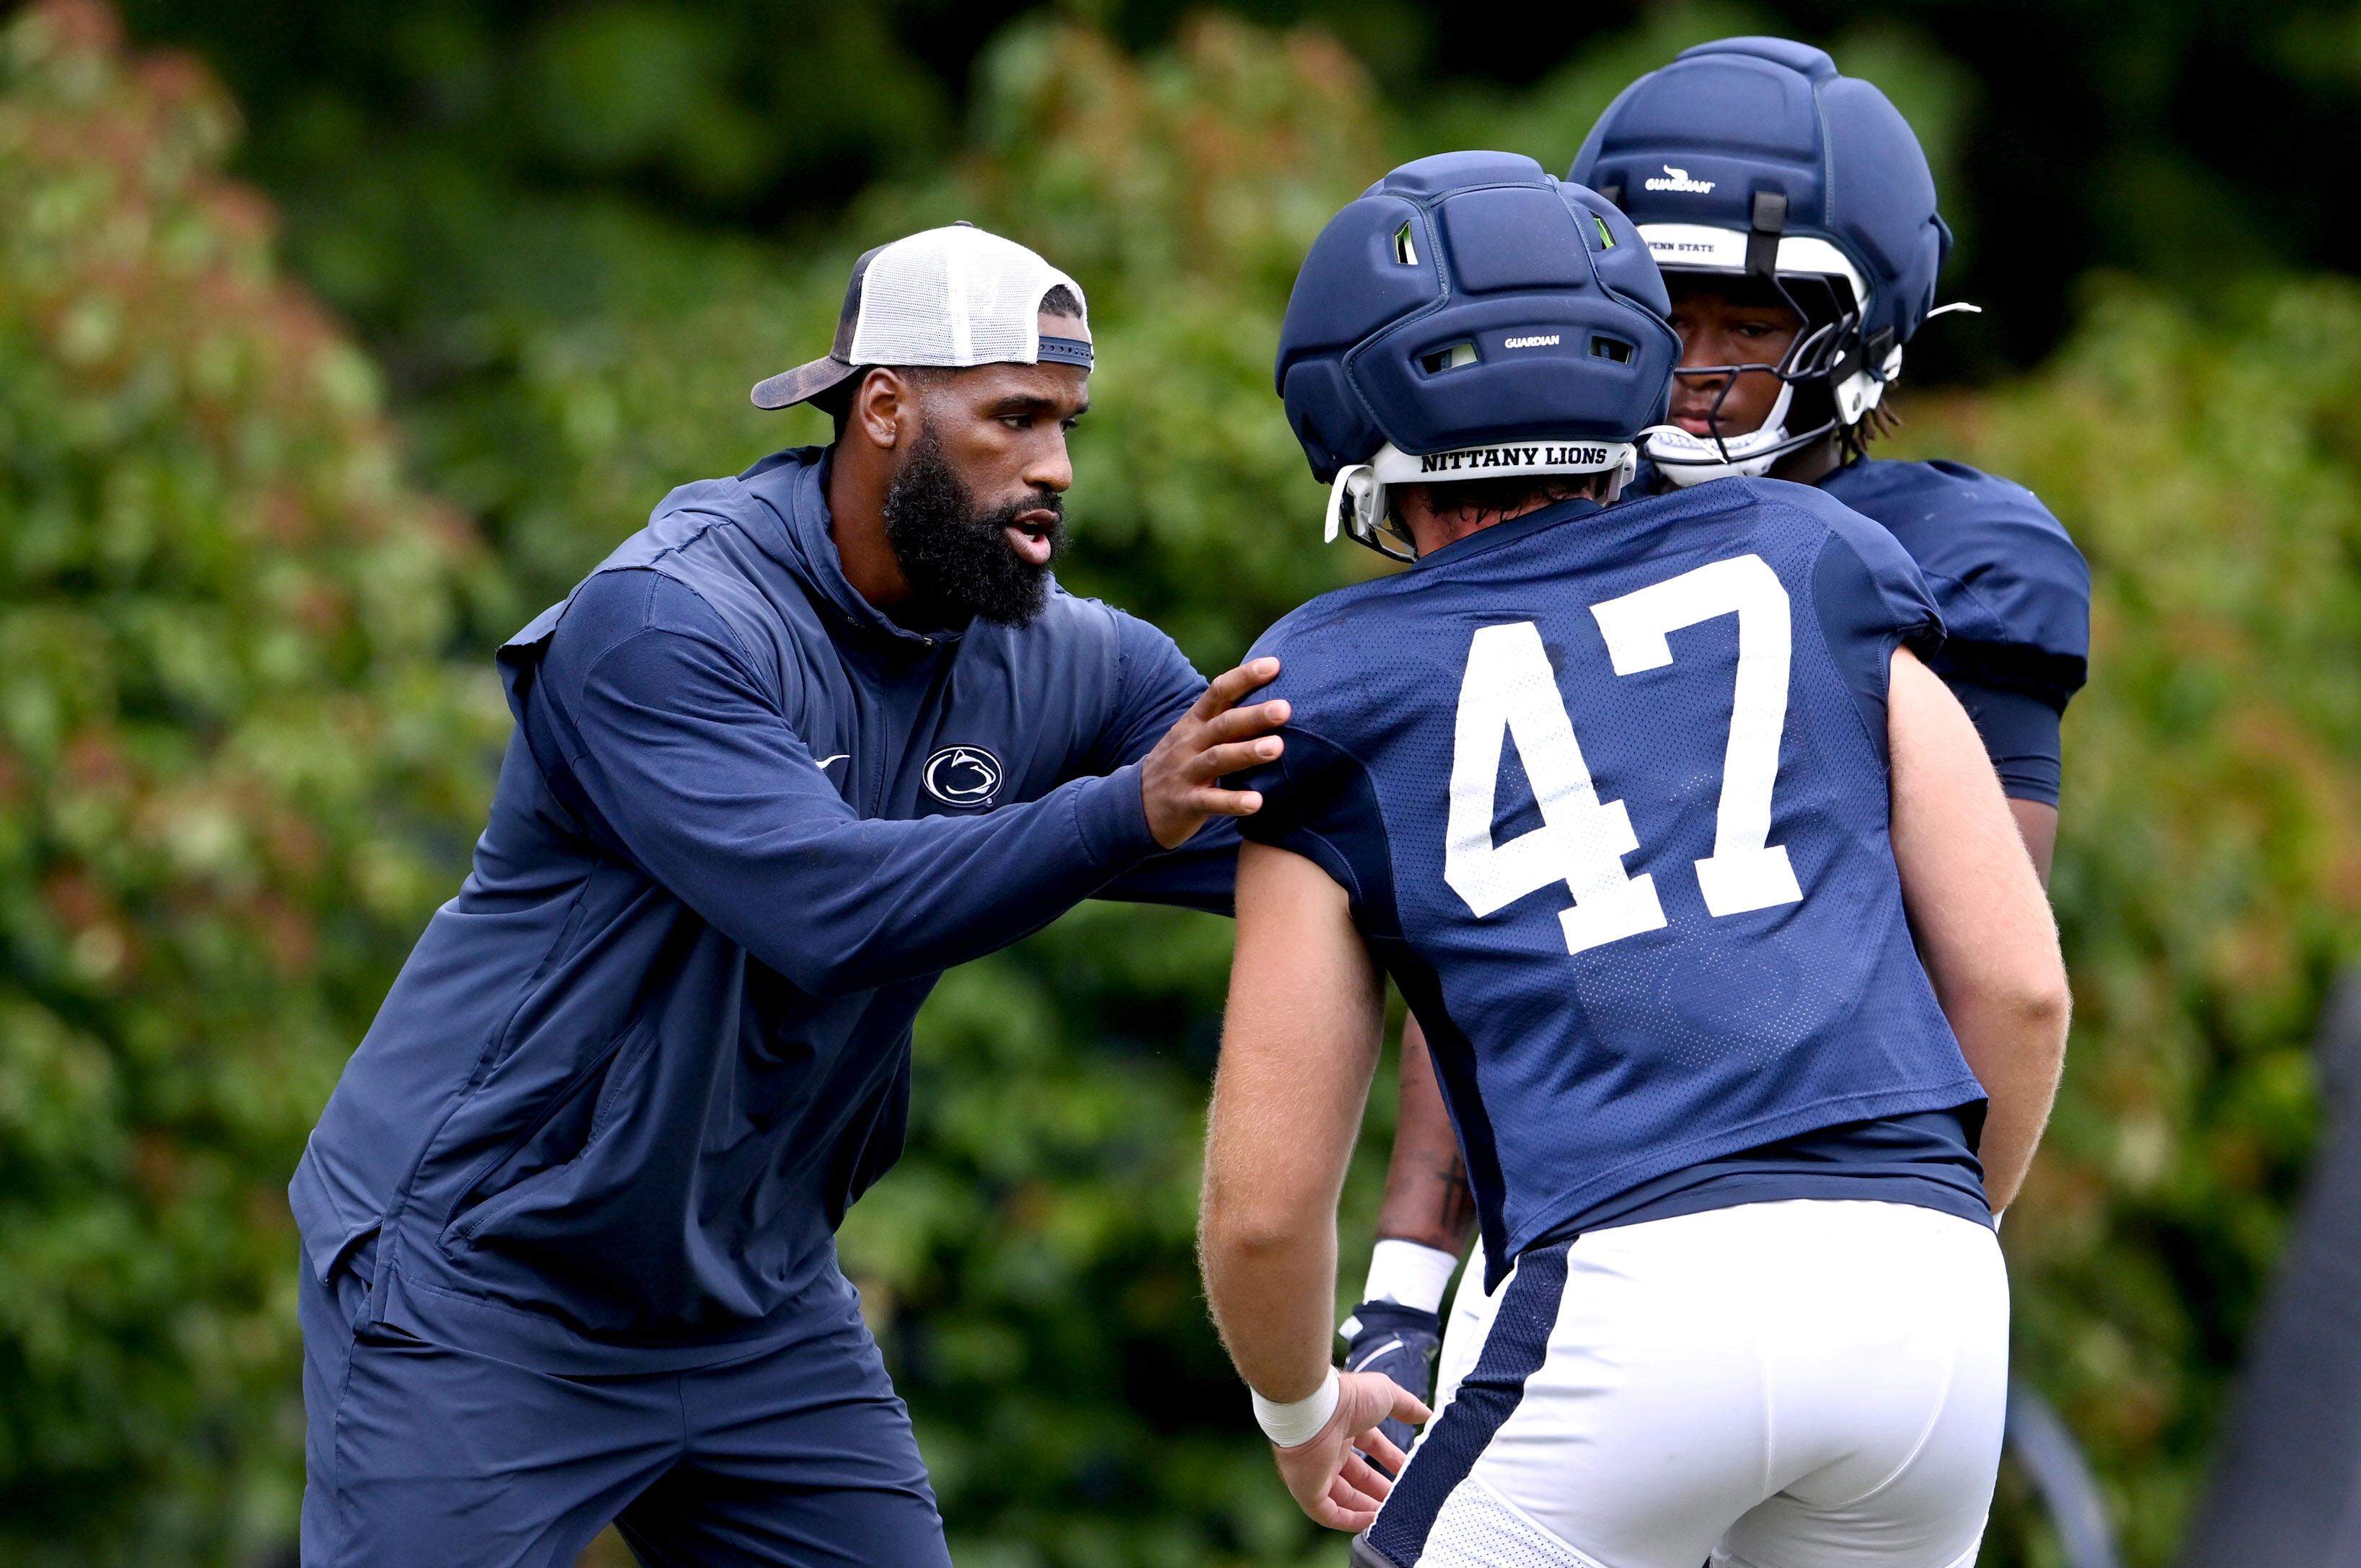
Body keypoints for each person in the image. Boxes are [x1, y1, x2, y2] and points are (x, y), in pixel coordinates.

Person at [289, 223, 1282, 1567]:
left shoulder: (1071, 660)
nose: (1055, 465)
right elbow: (831, 911)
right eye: (1013, 418)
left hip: (752, 1298)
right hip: (485, 1285)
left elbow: (1310, 851)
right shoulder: (662, 624)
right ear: (883, 409)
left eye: (1066, 423)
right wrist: (1124, 809)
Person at [1199, 151, 2070, 1564]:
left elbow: (1261, 1205)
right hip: (1922, 1300)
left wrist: (1300, 1404)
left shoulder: (1327, 677)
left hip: (1625, 1287)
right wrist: (1919, 1235)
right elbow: (2022, 988)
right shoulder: (1812, 549)